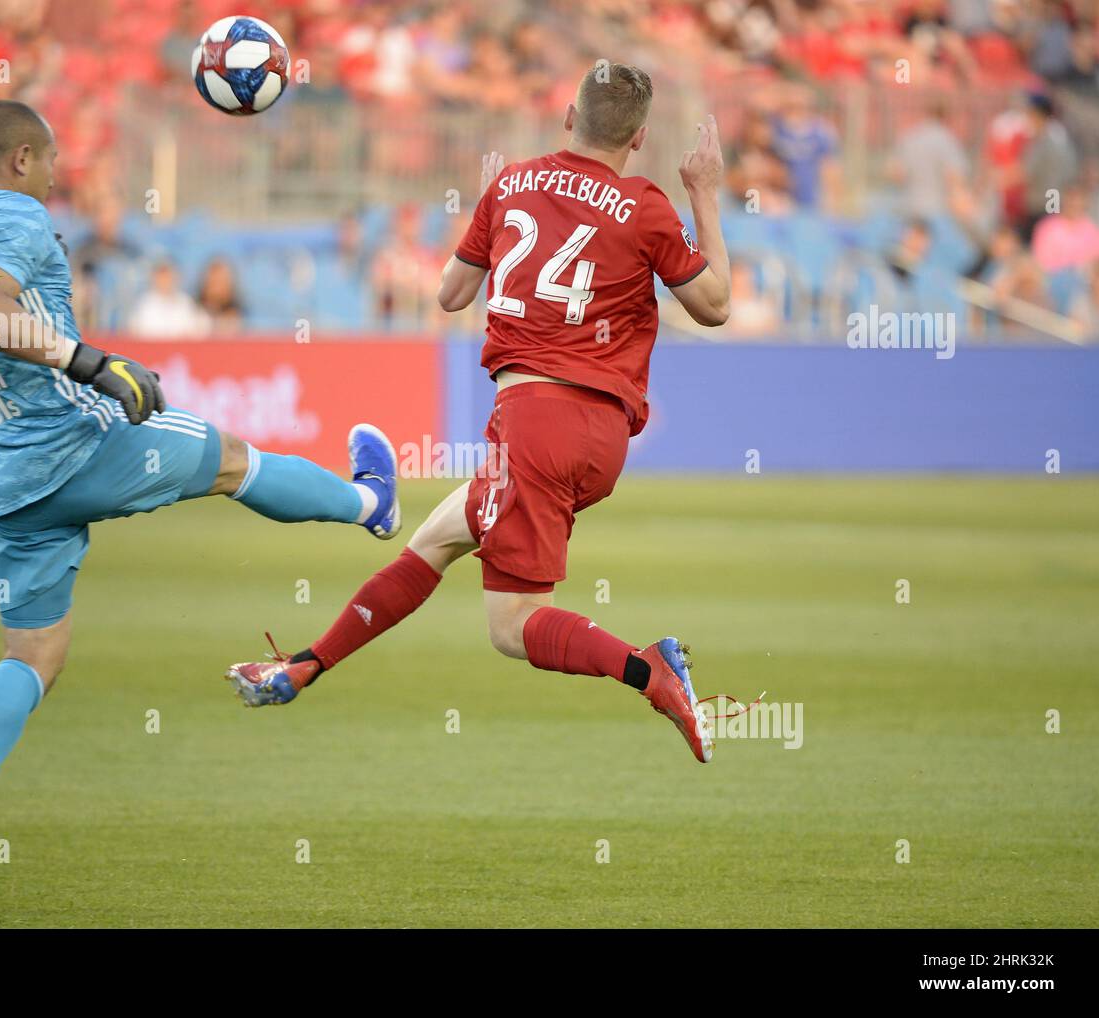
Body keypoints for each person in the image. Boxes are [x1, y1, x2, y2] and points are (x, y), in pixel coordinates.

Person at [0, 100, 401, 908]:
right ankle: (368, 504)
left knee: (32, 657)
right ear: (23, 157)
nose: (60, 175)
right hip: (75, 442)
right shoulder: (16, 212)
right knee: (235, 460)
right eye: (53, 158)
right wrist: (91, 362)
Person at [228, 64, 732, 764]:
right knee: (437, 539)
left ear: (568, 114)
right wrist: (705, 193)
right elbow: (715, 306)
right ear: (640, 137)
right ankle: (304, 666)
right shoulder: (644, 204)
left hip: (533, 418)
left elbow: (450, 294)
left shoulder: (514, 183)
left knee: (511, 626)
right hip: (600, 433)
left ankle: (651, 670)